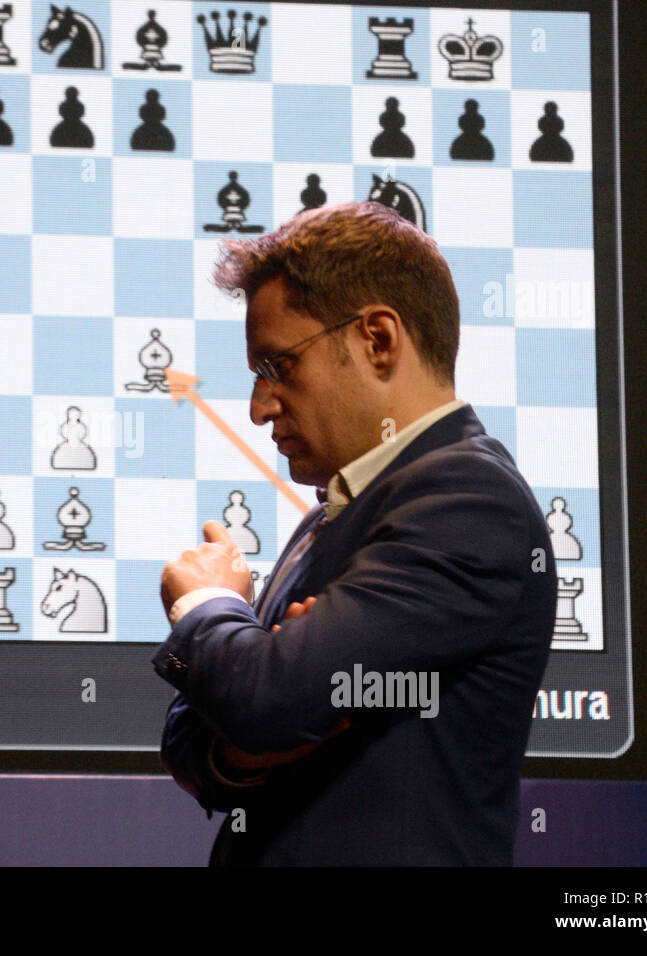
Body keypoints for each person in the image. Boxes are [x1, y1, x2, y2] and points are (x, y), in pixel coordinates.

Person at [152, 201, 557, 865]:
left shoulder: (469, 501)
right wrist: (253, 724)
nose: (258, 409)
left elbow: (261, 697)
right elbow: (194, 740)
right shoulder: (327, 519)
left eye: (277, 366)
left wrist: (209, 603)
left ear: (378, 340)